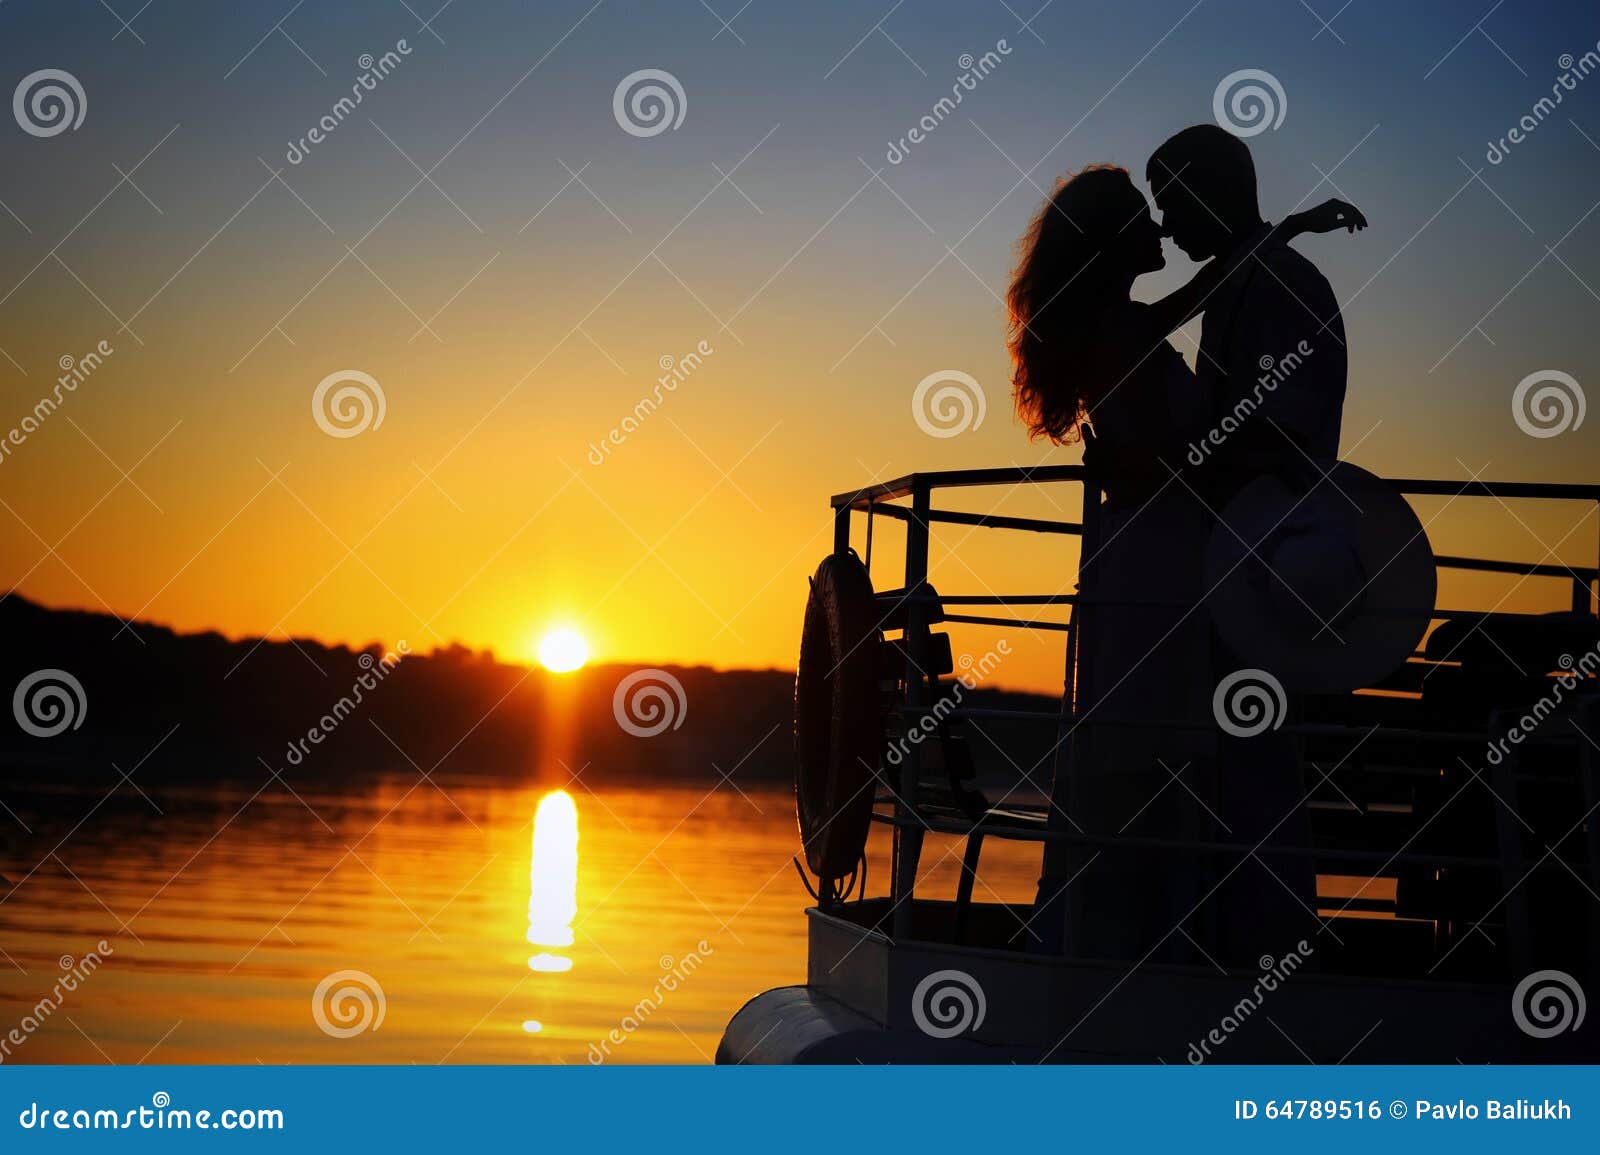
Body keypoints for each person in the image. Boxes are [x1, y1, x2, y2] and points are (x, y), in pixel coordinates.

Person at [1007, 160, 1363, 960]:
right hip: (1160, 558)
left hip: (1147, 551)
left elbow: (1201, 294)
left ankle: (1135, 926)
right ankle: (1172, 930)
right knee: (1168, 739)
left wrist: (1288, 230)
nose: (1159, 227)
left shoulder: (1116, 322)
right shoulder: (1123, 329)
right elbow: (1178, 445)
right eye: (1142, 213)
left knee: (1154, 741)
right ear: (1107, 244)